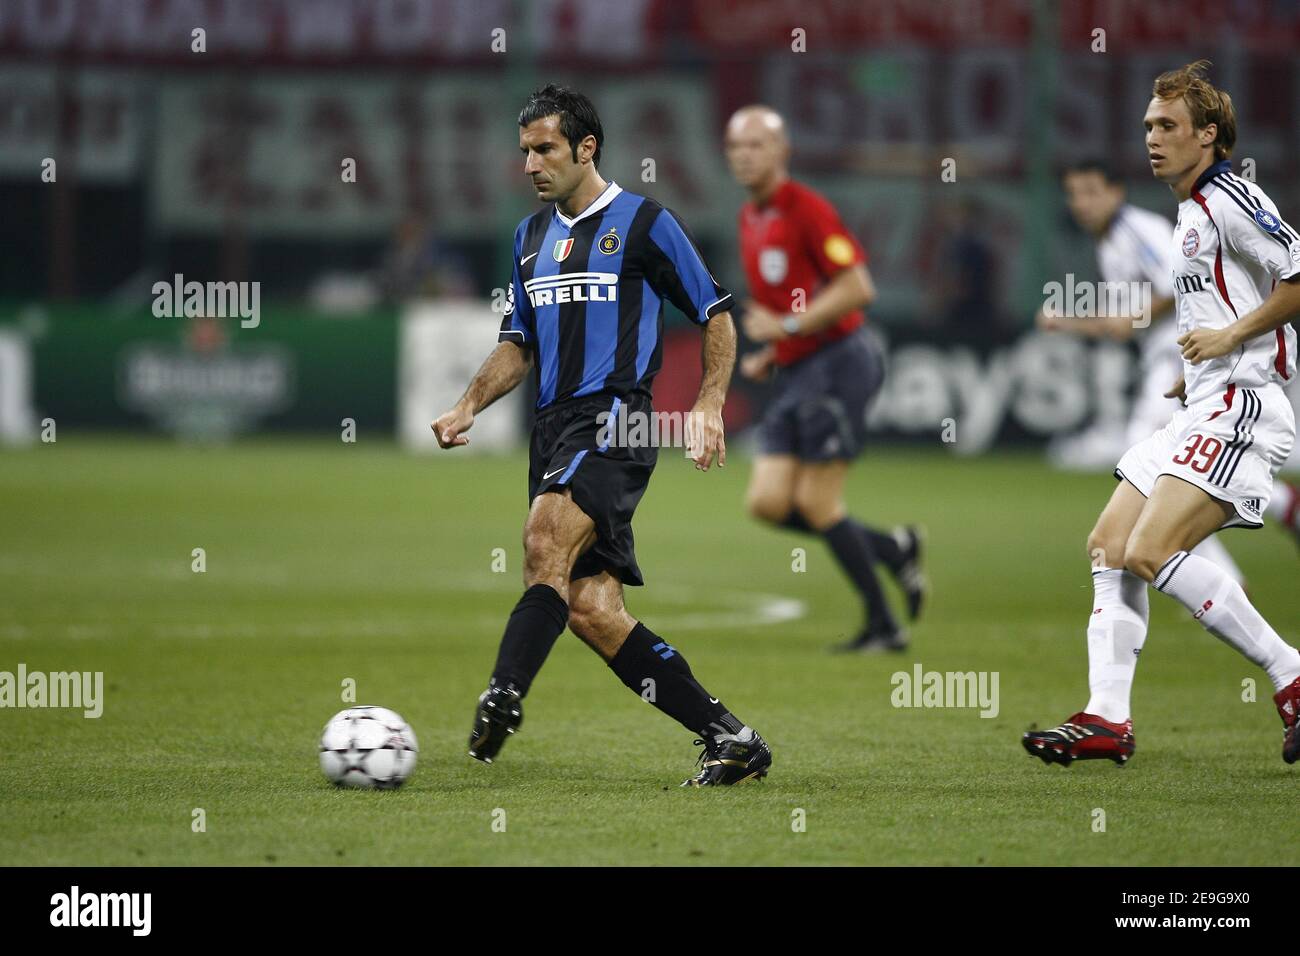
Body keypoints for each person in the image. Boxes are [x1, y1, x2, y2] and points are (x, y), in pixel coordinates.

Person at [432, 85, 771, 787]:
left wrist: (708, 403)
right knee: (591, 609)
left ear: (587, 148)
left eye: (545, 148)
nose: (530, 163)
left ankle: (504, 692)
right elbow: (516, 344)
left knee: (542, 539)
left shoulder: (645, 223)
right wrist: (468, 404)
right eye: (524, 150)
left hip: (617, 417)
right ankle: (731, 737)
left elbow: (715, 313)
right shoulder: (528, 239)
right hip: (552, 427)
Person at [1024, 61, 1300, 767]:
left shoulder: (1232, 196)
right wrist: (1192, 370)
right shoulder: (1186, 209)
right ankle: (1107, 718)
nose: (1152, 137)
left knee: (1151, 551)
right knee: (1109, 546)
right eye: (1149, 125)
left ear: (1208, 136)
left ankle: (1290, 675)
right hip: (1203, 401)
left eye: (1168, 126)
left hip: (1245, 406)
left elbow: (1297, 276)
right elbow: (1219, 298)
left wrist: (1231, 341)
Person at [725, 104, 924, 653]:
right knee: (767, 502)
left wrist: (787, 325)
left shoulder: (806, 208)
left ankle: (884, 625)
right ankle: (891, 549)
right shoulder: (749, 217)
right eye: (736, 147)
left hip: (840, 364)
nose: (744, 156)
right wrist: (777, 348)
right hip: (797, 368)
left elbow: (858, 287)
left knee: (817, 503)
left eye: (756, 145)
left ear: (782, 151)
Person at [1037, 159, 1252, 585]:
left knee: (1149, 465)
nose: (1082, 203)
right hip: (1168, 355)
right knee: (1177, 467)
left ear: (1116, 193)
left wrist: (1076, 319)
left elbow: (1180, 284)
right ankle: (1276, 513)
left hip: (1184, 351)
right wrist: (1075, 321)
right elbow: (1125, 321)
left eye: (1092, 191)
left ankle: (1219, 579)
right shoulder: (1110, 241)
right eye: (1075, 193)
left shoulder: (1138, 231)